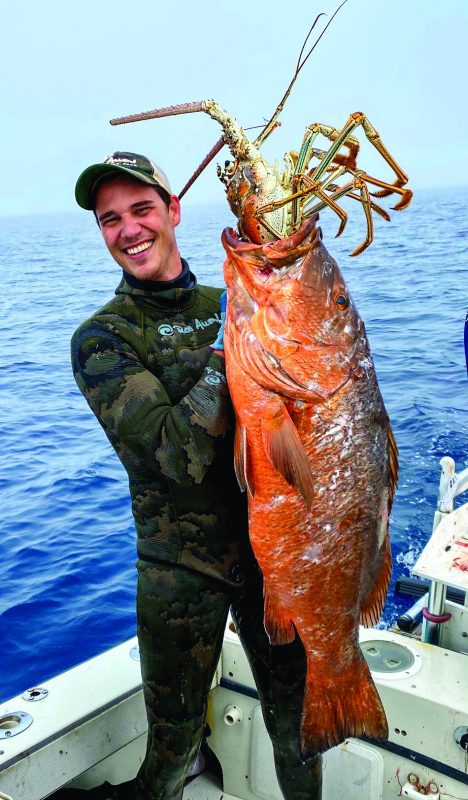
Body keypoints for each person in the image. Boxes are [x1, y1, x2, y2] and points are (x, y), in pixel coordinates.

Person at [67, 151, 322, 800]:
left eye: (142, 209)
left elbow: (310, 410)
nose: (128, 230)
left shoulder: (232, 300)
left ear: (174, 209)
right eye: (109, 220)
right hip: (178, 566)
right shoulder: (102, 339)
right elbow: (174, 459)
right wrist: (238, 341)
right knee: (172, 753)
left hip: (274, 556)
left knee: (299, 729)